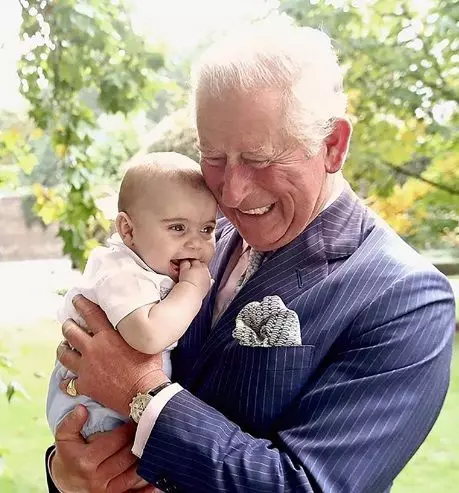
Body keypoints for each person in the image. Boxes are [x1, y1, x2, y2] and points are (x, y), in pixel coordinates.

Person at [46, 19, 455, 493]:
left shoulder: (406, 298)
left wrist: (142, 393)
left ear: (333, 146)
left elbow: (308, 486)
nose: (232, 193)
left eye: (260, 160)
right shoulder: (198, 238)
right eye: (213, 158)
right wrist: (69, 471)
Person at [47, 152, 216, 440]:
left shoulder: (151, 266)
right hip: (93, 413)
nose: (196, 242)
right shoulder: (119, 272)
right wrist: (192, 290)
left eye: (207, 229)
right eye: (177, 227)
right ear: (128, 230)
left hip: (117, 407)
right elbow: (148, 336)